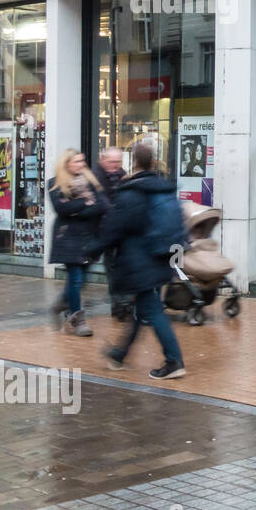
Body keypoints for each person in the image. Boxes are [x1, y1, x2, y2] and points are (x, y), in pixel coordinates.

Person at [96, 144, 188, 379]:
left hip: (140, 260)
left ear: (132, 163)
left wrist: (92, 249)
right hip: (161, 257)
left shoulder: (132, 192)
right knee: (143, 308)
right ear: (153, 163)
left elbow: (114, 228)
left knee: (153, 310)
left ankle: (174, 360)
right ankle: (120, 354)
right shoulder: (164, 189)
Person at [48, 149, 110, 337]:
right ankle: (77, 320)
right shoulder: (55, 184)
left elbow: (101, 206)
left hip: (89, 238)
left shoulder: (91, 182)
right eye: (76, 161)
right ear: (67, 164)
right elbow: (62, 209)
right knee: (75, 278)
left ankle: (61, 304)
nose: (81, 164)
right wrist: (85, 203)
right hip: (67, 238)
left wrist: (78, 207)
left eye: (82, 160)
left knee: (81, 280)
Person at [91, 147, 130, 320]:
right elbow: (100, 202)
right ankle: (119, 305)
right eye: (112, 162)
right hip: (102, 230)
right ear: (103, 160)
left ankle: (121, 305)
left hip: (120, 229)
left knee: (118, 267)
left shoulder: (122, 175)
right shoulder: (95, 177)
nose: (115, 166)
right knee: (111, 268)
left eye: (118, 162)